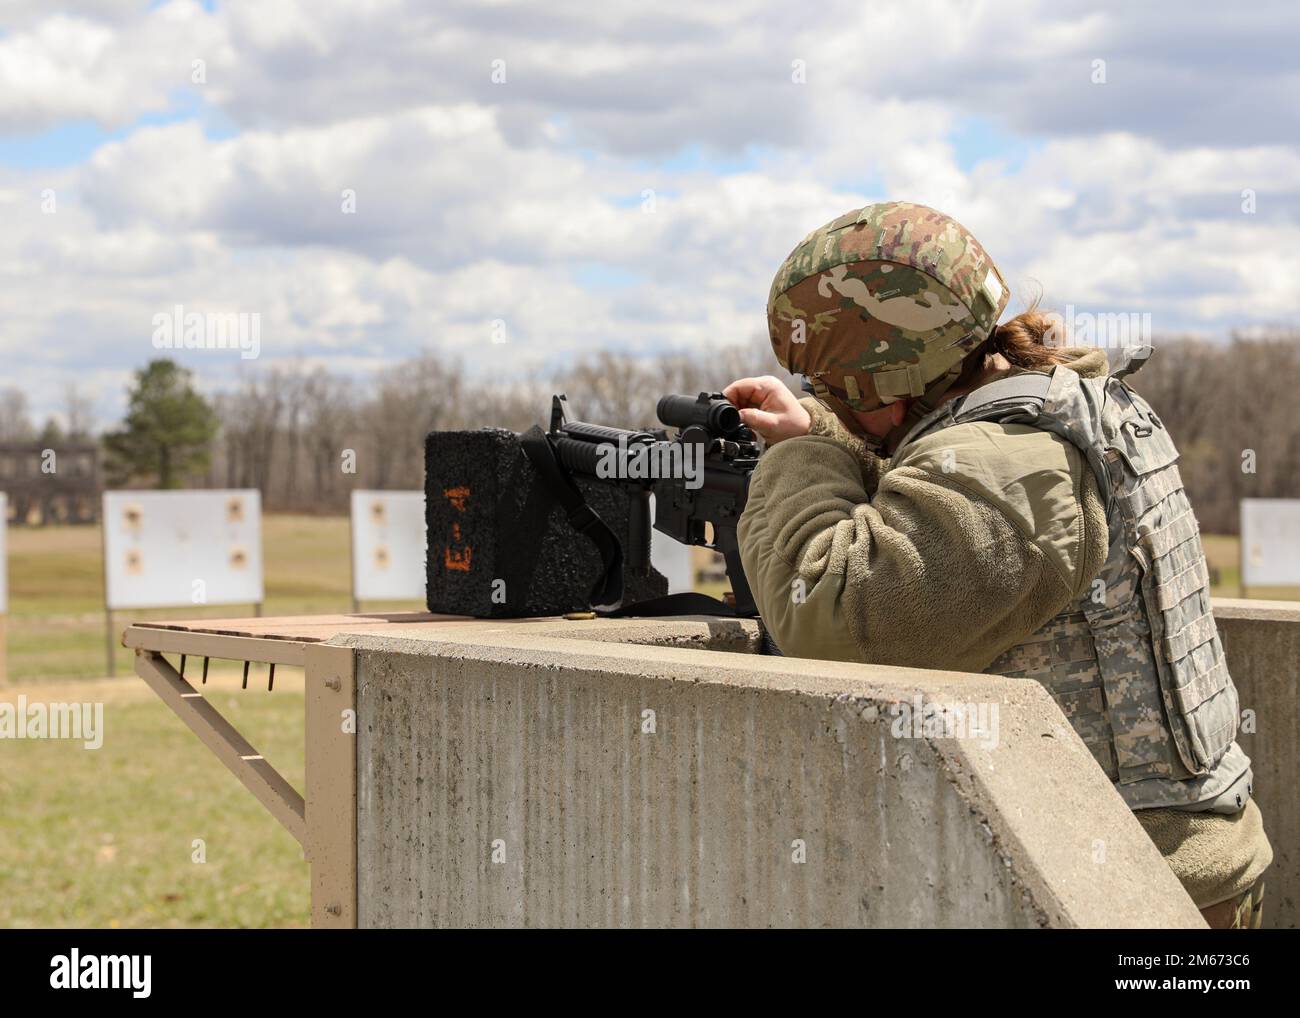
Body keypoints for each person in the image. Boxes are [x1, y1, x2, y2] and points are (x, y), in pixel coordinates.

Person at [725, 201, 1272, 928]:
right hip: (1147, 872)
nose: (827, 401)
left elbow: (828, 614)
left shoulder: (1016, 463)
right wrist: (828, 428)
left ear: (884, 384)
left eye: (833, 387)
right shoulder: (1053, 408)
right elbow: (933, 473)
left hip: (1124, 892)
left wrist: (802, 456)